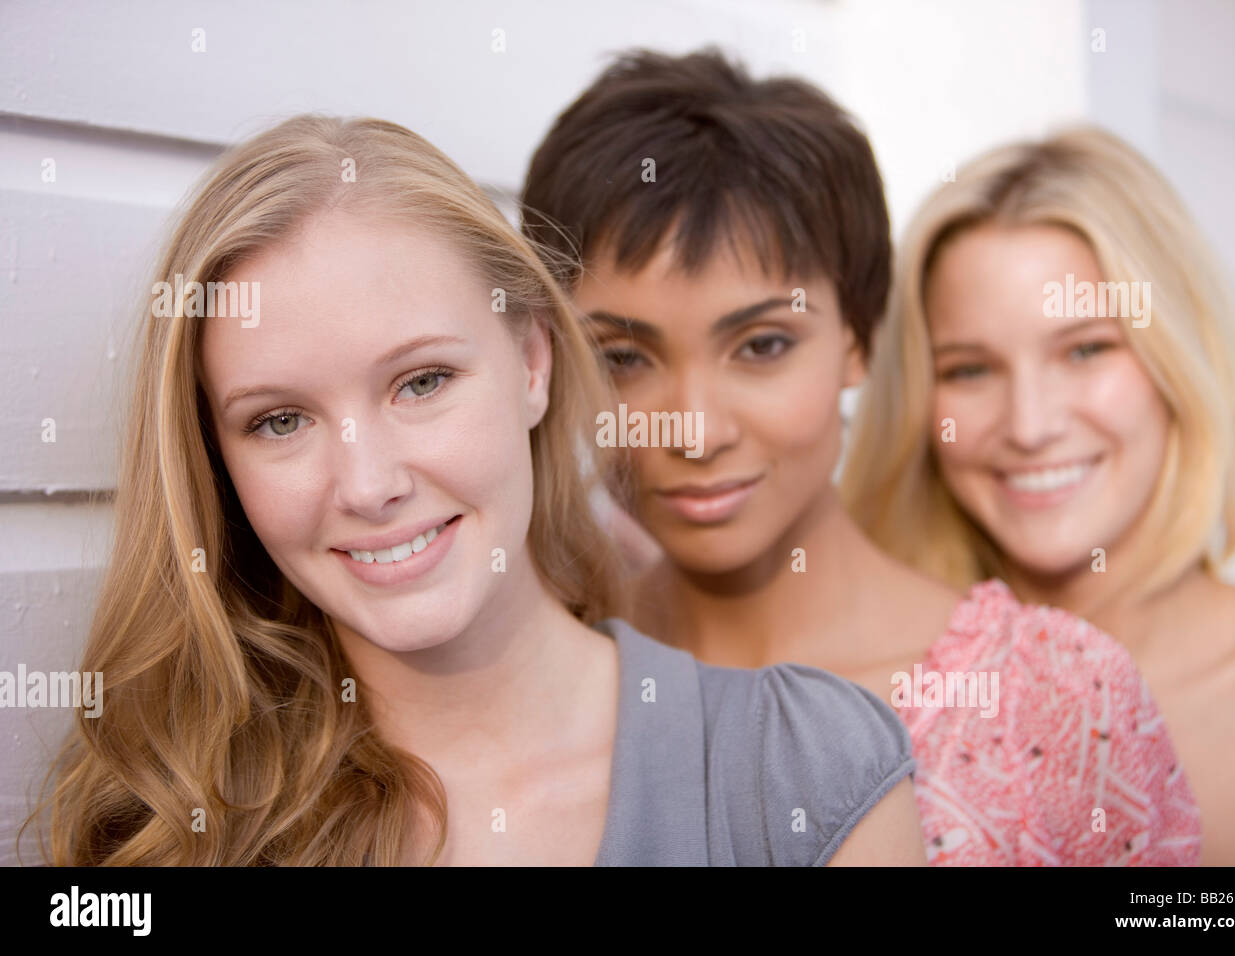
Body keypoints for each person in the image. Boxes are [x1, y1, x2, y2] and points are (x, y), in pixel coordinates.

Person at [21, 114, 924, 866]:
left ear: (532, 362)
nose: (370, 486)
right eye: (279, 421)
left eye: (421, 383)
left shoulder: (803, 772)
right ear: (216, 459)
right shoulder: (161, 826)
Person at [521, 48, 1201, 864]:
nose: (695, 432)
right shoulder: (519, 671)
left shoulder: (1059, 700)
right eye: (624, 358)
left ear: (858, 339)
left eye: (763, 344)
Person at [840, 125, 1235, 865]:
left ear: (1179, 359)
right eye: (969, 370)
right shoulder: (864, 692)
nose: (1030, 426)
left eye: (1086, 350)